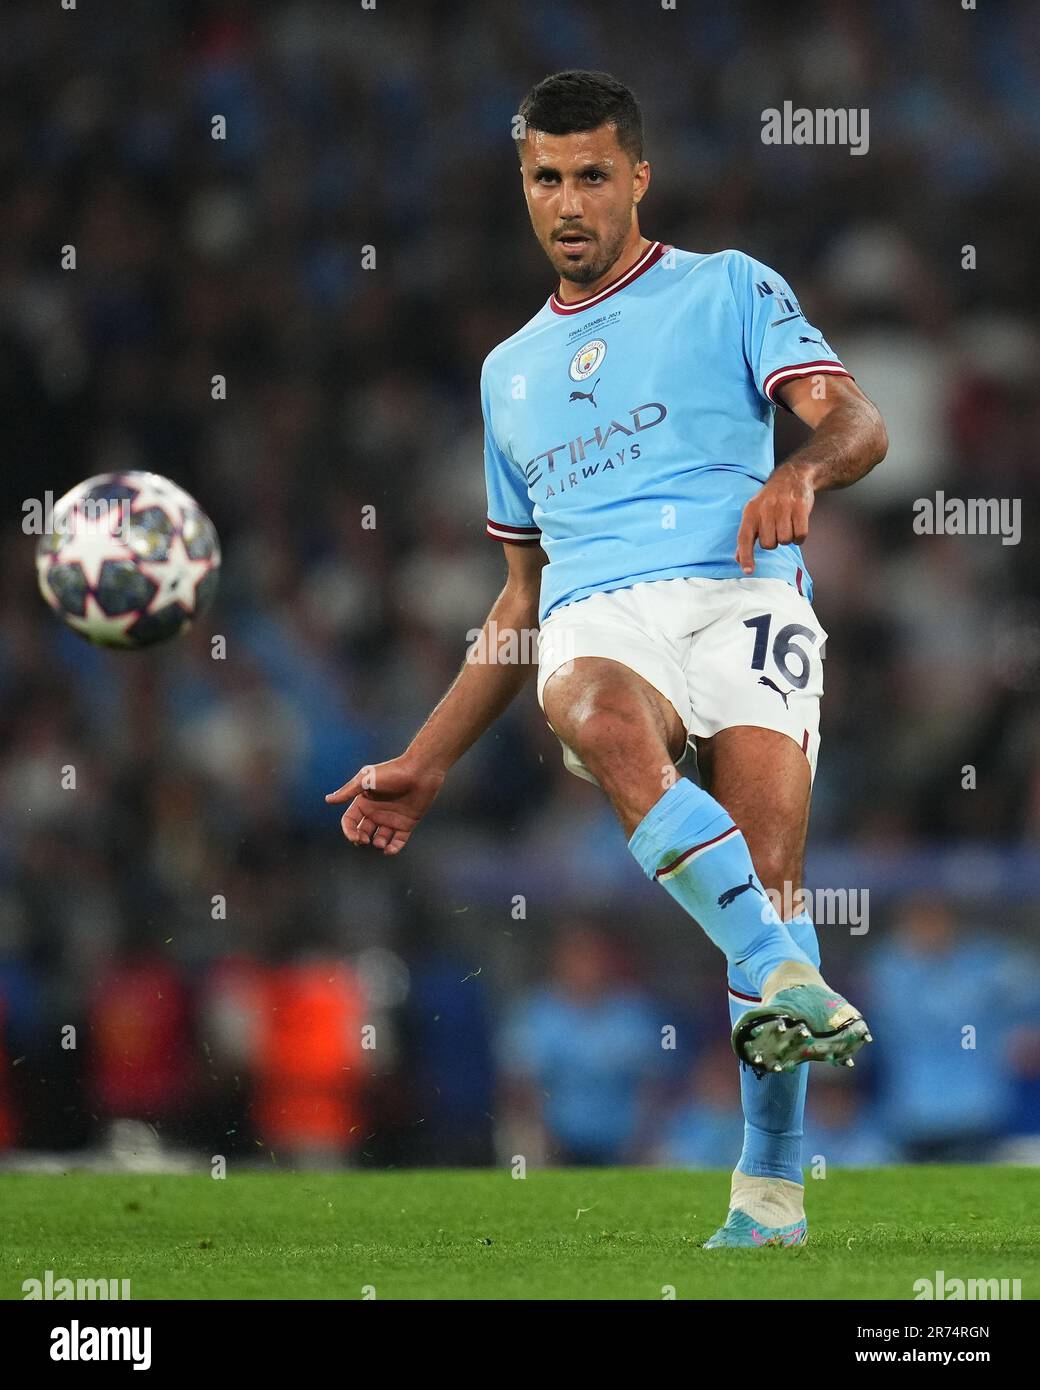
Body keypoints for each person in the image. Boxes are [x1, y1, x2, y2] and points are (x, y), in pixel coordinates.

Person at [327, 70, 888, 1247]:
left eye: (591, 175)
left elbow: (855, 421)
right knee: (586, 702)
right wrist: (427, 758)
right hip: (598, 613)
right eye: (546, 178)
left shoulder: (729, 288)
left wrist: (799, 472)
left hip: (745, 590)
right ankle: (777, 964)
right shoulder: (507, 373)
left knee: (769, 864)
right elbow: (520, 598)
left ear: (637, 177)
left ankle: (768, 1195)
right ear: (522, 185)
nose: (569, 201)